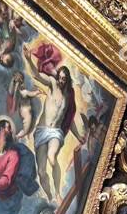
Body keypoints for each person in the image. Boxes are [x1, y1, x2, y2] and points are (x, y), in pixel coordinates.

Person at [25, 43, 83, 202]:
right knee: (42, 172)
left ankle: (57, 193)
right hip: (41, 130)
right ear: (58, 77)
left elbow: (69, 120)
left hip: (56, 132)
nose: (62, 81)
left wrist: (78, 136)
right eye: (60, 78)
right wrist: (29, 60)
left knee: (52, 157)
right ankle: (50, 196)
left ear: (68, 80)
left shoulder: (68, 98)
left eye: (65, 79)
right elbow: (36, 75)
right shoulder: (51, 83)